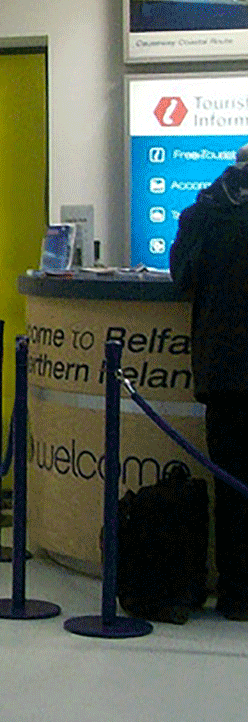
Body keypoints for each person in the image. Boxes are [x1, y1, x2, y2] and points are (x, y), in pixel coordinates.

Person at [169, 143, 248, 621]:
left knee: (232, 486)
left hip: (223, 372)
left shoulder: (203, 211)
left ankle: (238, 595)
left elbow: (181, 277)